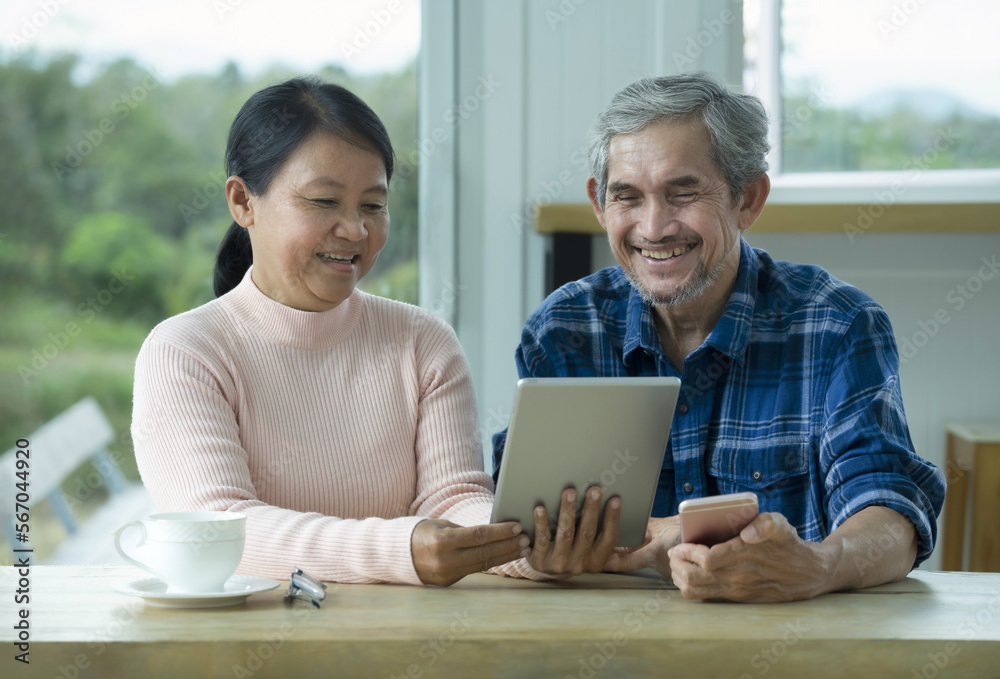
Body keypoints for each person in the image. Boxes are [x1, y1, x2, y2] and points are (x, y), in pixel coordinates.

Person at [131, 77, 615, 587]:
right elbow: (221, 527)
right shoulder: (185, 352)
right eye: (323, 202)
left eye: (372, 205)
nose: (355, 231)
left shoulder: (423, 341)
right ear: (242, 201)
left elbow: (453, 502)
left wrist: (535, 548)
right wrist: (402, 548)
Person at [492, 73, 946, 602]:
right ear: (600, 204)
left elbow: (891, 514)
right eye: (628, 198)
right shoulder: (563, 330)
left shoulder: (839, 324)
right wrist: (645, 540)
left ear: (747, 199)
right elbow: (520, 528)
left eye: (683, 194)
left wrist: (820, 566)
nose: (655, 227)